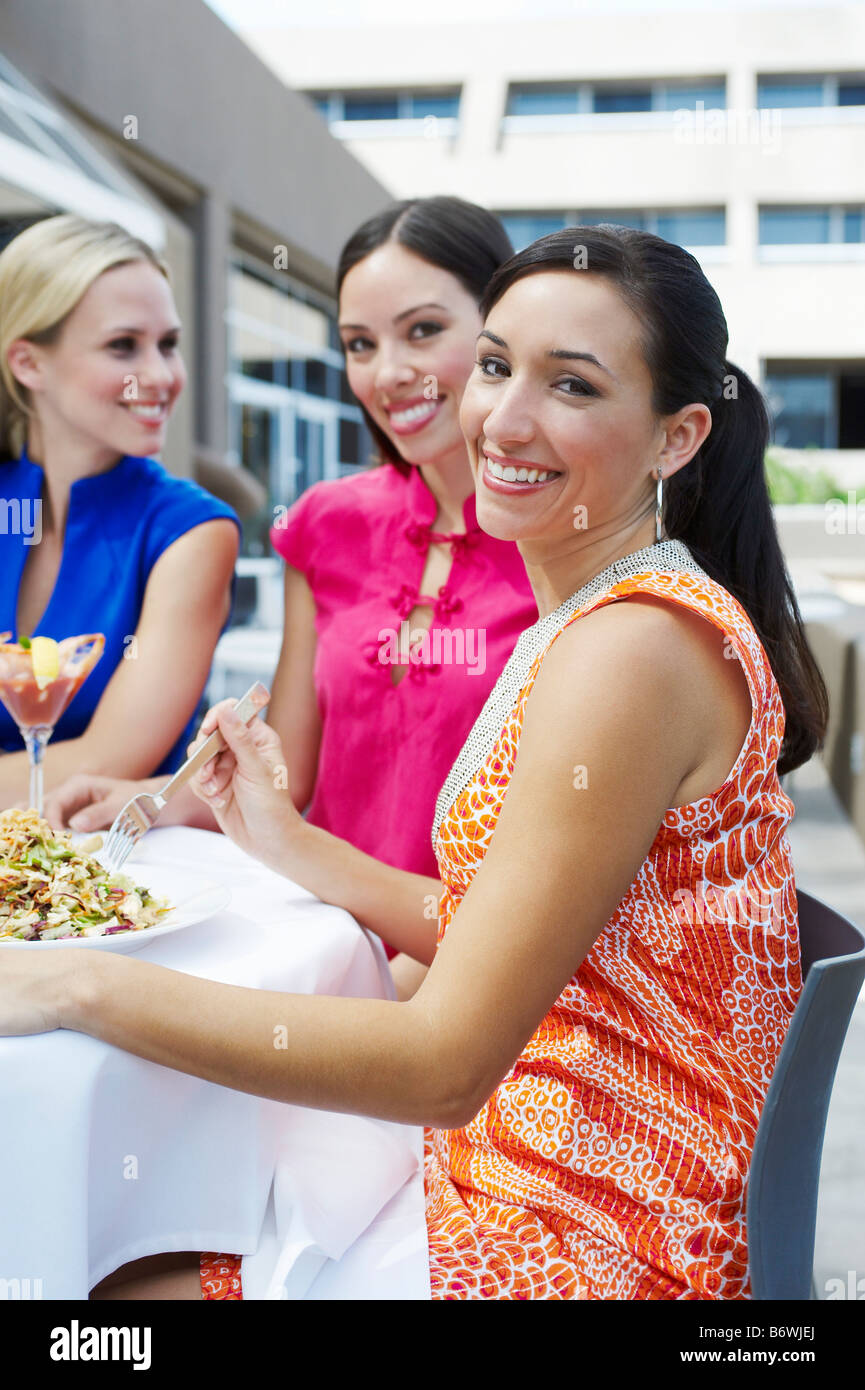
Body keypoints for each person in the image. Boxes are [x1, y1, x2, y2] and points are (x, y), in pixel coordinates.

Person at [0, 223, 828, 1300]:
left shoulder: (631, 649)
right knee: (128, 1222)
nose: (503, 418)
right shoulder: (602, 617)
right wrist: (287, 841)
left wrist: (70, 979)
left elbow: (442, 1064)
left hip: (596, 1226)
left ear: (676, 438)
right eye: (495, 366)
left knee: (90, 1278)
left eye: (569, 386)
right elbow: (511, 936)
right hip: (534, 1150)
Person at [44, 197, 539, 990]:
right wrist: (146, 798)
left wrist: (395, 989)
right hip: (326, 943)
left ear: (499, 328)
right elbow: (291, 777)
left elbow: (545, 899)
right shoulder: (327, 524)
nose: (386, 373)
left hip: (479, 976)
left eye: (421, 331)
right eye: (357, 344)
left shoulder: (562, 547)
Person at [0, 215, 240, 807]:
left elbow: (102, 763)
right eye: (122, 345)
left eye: (168, 345)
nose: (159, 376)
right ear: (28, 363)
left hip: (113, 884)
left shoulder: (191, 531)